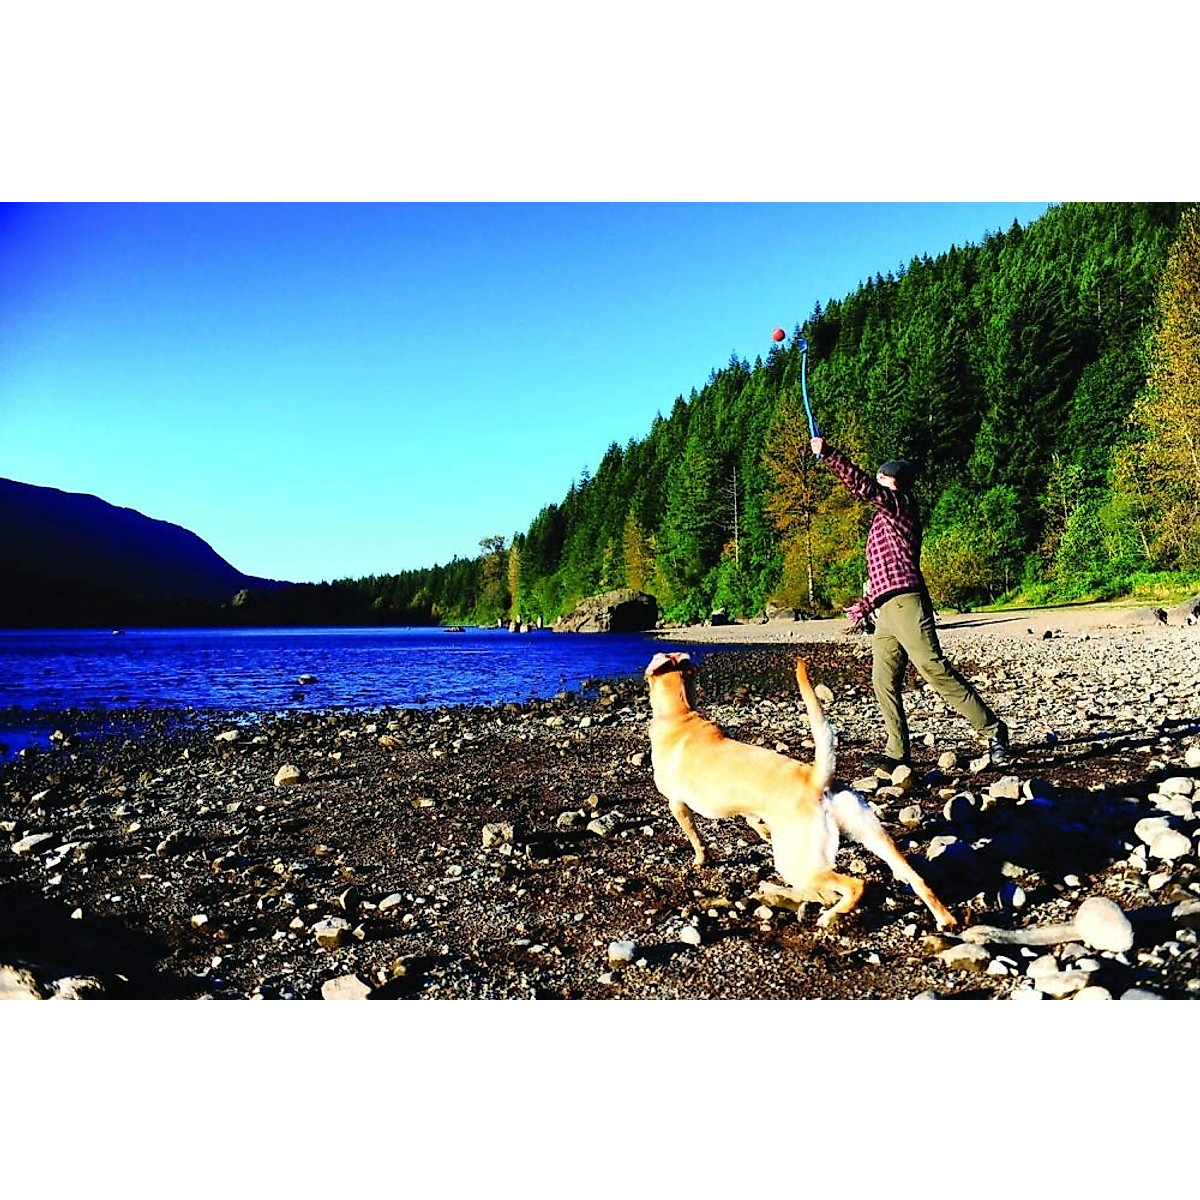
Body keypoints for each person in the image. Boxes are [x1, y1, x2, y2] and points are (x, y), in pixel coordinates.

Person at [811, 436, 1011, 769]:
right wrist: (865, 604)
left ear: (895, 482)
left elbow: (863, 488)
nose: (877, 479)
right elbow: (886, 571)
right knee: (882, 681)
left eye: (882, 476)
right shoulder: (881, 521)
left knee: (933, 668)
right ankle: (897, 753)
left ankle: (993, 731)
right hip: (886, 611)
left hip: (908, 604)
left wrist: (829, 454)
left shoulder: (900, 505)